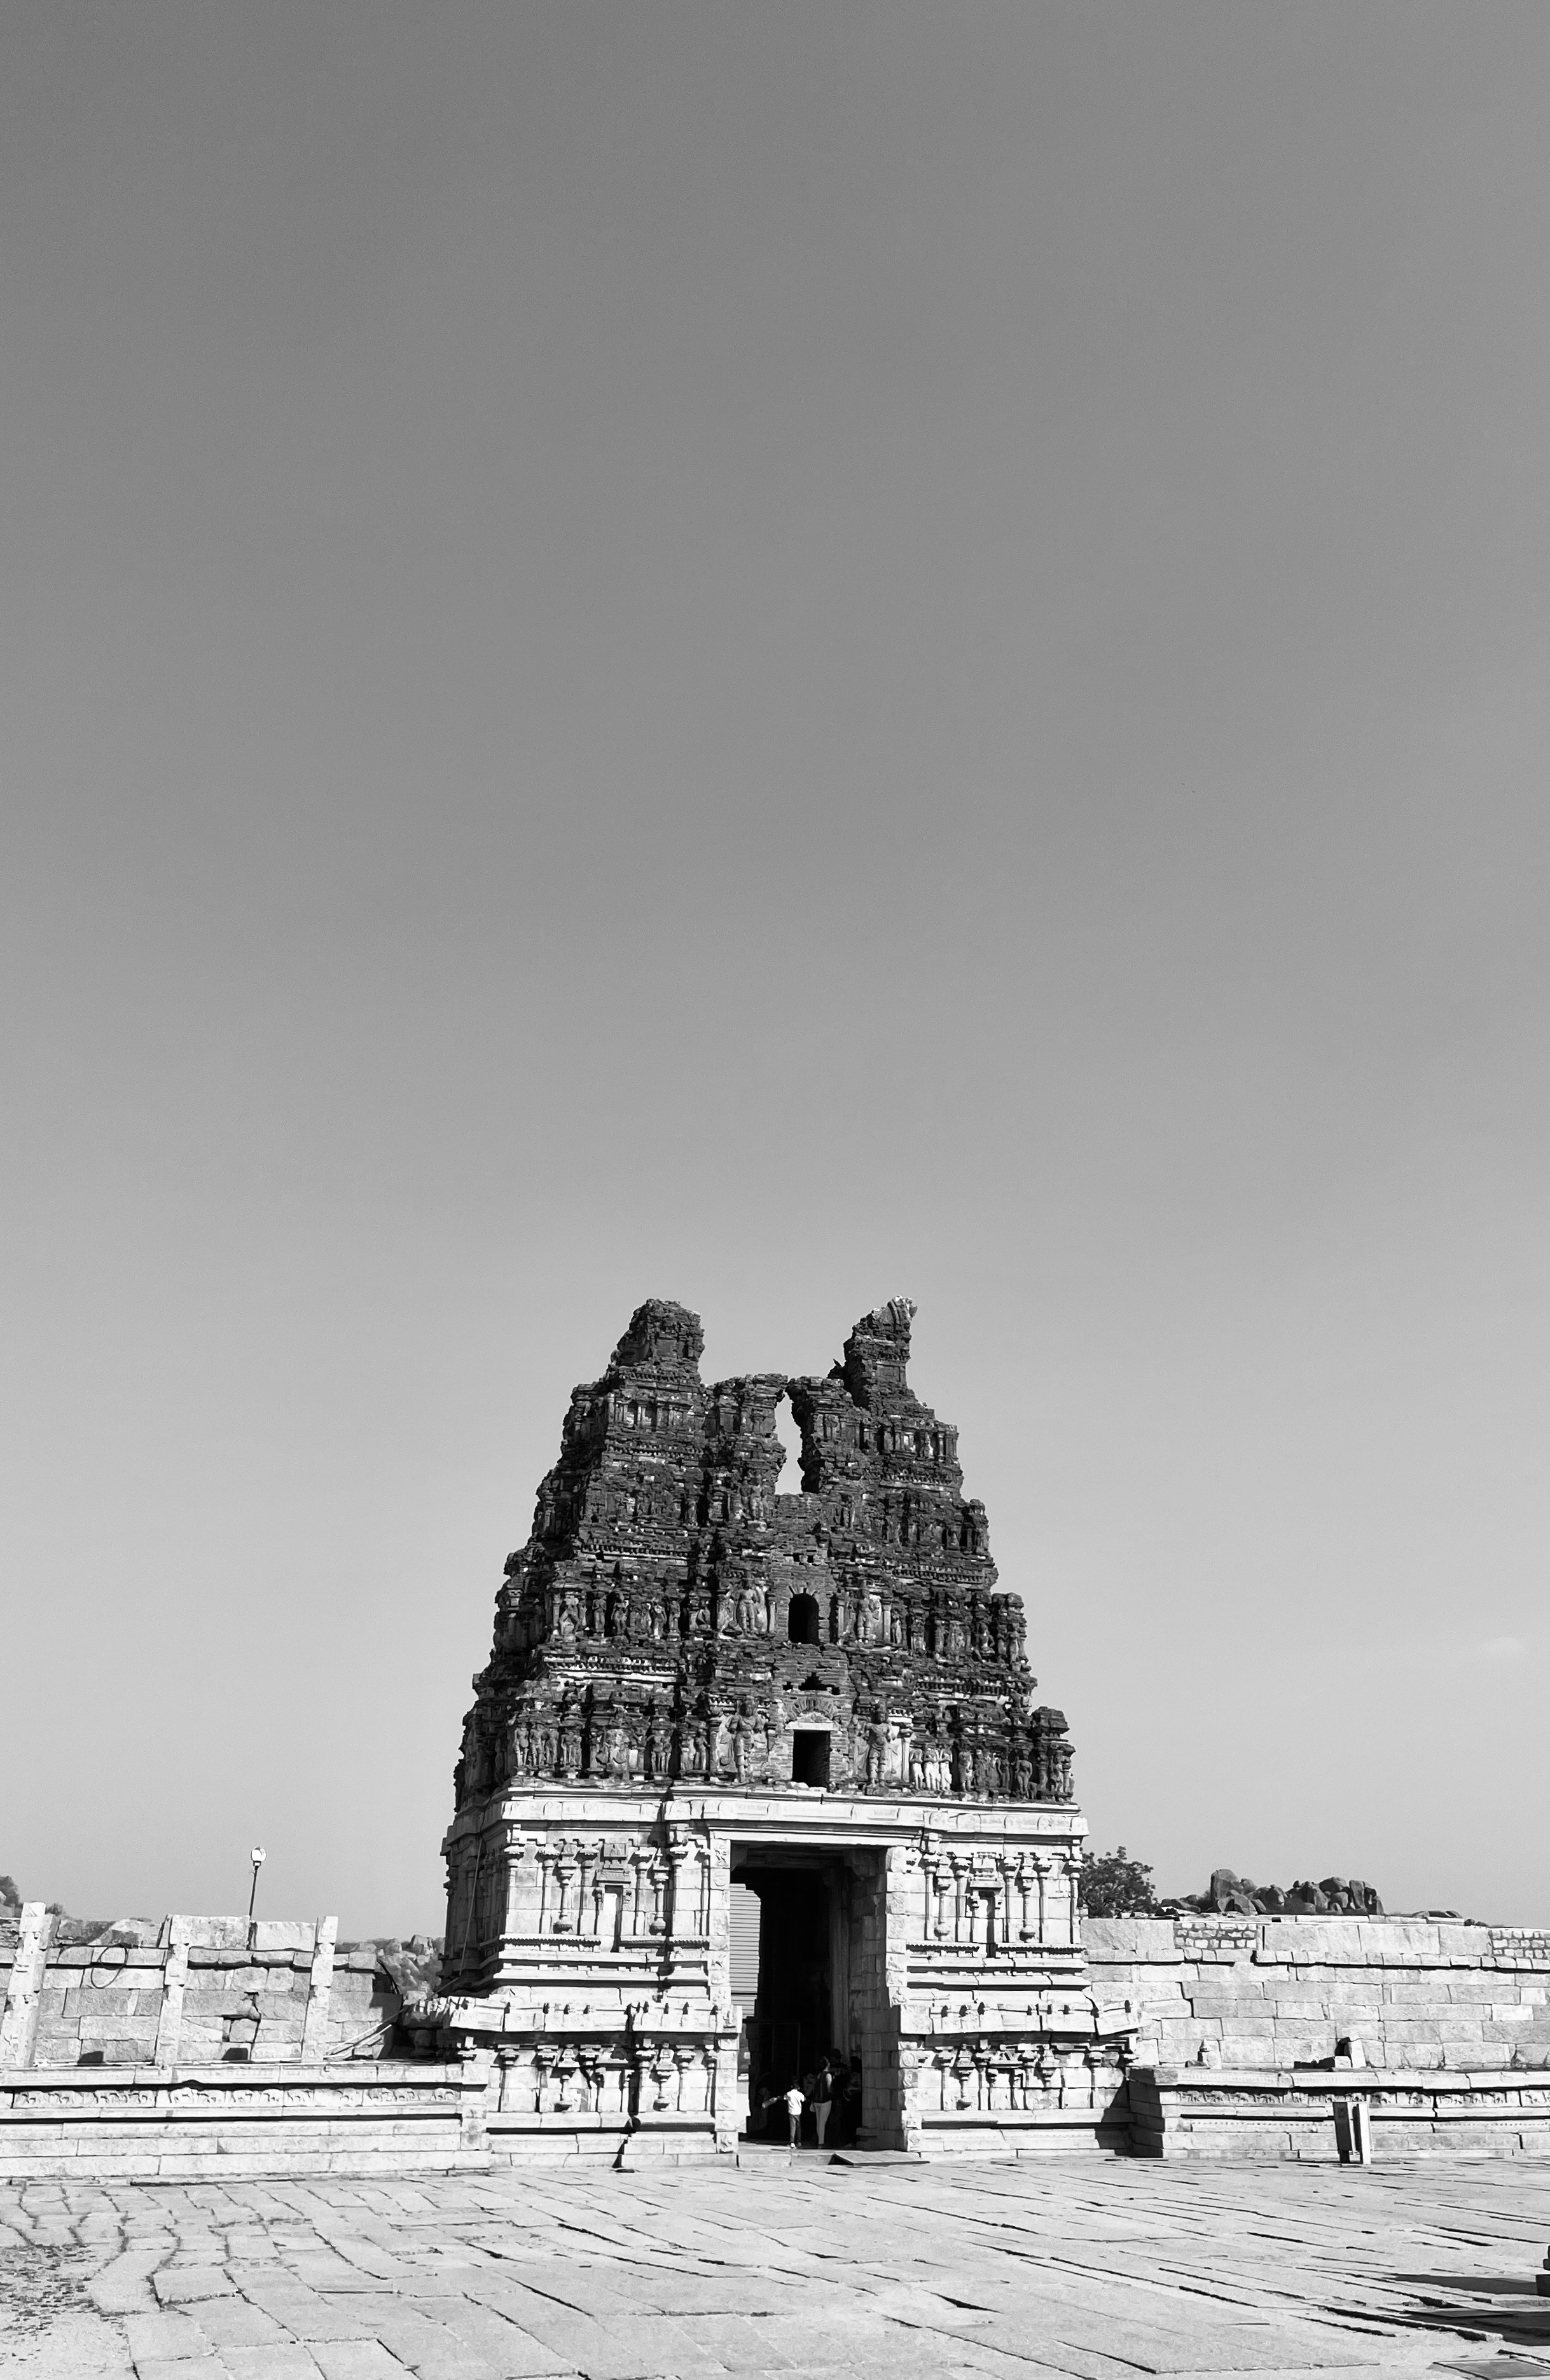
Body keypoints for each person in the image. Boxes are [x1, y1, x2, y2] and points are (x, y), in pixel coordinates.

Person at [812, 2060, 834, 2148]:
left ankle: (820, 2141)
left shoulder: (819, 2075)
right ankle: (821, 2143)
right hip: (825, 2101)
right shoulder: (828, 2075)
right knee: (822, 2123)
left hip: (817, 2101)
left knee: (819, 2122)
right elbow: (829, 2089)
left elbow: (815, 2088)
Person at [782, 2079, 805, 2149]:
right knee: (799, 2127)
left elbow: (784, 2098)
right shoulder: (800, 2094)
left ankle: (792, 2142)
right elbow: (804, 2100)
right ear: (799, 2088)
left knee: (793, 2127)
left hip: (792, 2112)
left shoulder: (789, 2094)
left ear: (792, 2087)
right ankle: (799, 2142)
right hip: (798, 2112)